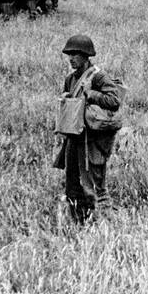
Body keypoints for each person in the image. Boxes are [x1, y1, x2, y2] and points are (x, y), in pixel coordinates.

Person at [53, 35, 123, 224]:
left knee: (96, 188)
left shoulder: (98, 76)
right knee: (73, 186)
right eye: (69, 54)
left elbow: (114, 101)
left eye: (75, 54)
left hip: (93, 141)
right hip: (74, 138)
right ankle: (80, 223)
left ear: (86, 55)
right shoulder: (70, 79)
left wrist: (90, 93)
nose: (71, 58)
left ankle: (108, 225)